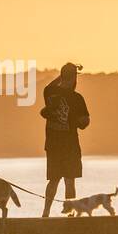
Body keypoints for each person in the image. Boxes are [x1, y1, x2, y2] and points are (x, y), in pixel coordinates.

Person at [41, 62, 90, 217]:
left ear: (62, 76)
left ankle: (46, 212)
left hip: (53, 145)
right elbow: (85, 122)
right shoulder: (77, 98)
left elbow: (50, 85)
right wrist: (77, 121)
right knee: (69, 181)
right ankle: (70, 213)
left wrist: (63, 74)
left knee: (54, 180)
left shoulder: (50, 92)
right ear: (74, 78)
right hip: (70, 146)